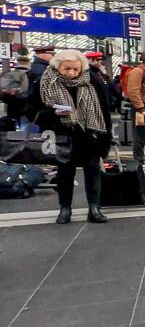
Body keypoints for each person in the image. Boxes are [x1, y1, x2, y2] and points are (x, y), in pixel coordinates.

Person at [35, 51, 112, 224]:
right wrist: (53, 113)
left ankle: (94, 208)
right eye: (67, 68)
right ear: (58, 66)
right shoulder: (46, 81)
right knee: (65, 173)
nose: (71, 73)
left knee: (93, 171)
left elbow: (104, 109)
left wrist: (106, 137)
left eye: (76, 69)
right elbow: (32, 111)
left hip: (90, 133)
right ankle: (65, 209)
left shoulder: (92, 80)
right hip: (62, 134)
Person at [1, 51, 32, 129]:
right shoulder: (32, 74)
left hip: (12, 107)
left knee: (16, 126)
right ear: (28, 63)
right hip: (28, 107)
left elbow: (3, 89)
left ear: (17, 63)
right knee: (27, 128)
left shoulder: (9, 74)